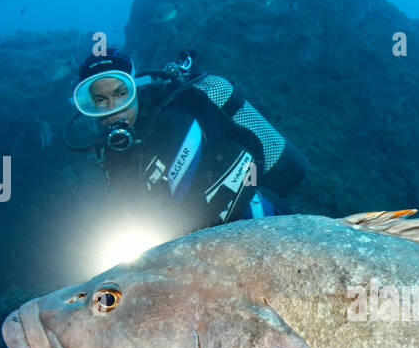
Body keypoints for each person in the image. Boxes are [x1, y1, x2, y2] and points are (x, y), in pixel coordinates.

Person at [64, 48, 307, 230]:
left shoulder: (172, 121)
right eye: (100, 101)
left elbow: (182, 205)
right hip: (205, 240)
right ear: (89, 105)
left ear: (135, 88)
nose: (114, 108)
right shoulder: (112, 152)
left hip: (259, 220)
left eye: (121, 93)